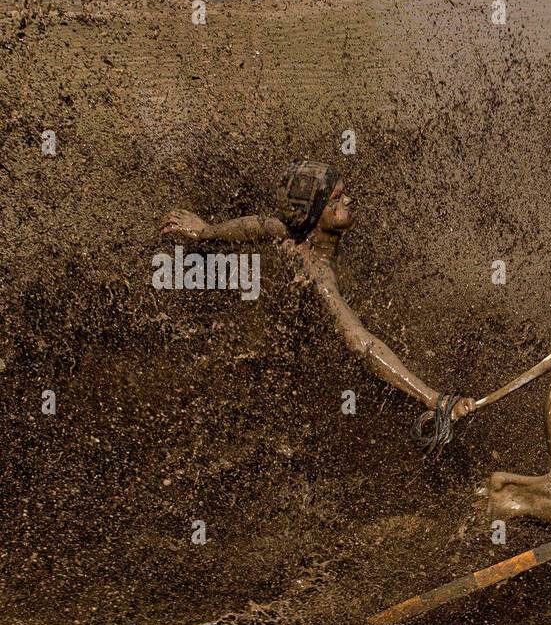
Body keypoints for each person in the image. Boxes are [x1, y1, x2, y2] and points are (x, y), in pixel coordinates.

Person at [161, 160, 475, 450]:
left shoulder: (290, 230)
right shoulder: (318, 273)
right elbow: (360, 343)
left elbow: (253, 225)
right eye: (336, 199)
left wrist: (205, 232)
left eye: (345, 193)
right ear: (315, 214)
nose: (348, 201)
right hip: (299, 366)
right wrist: (433, 399)